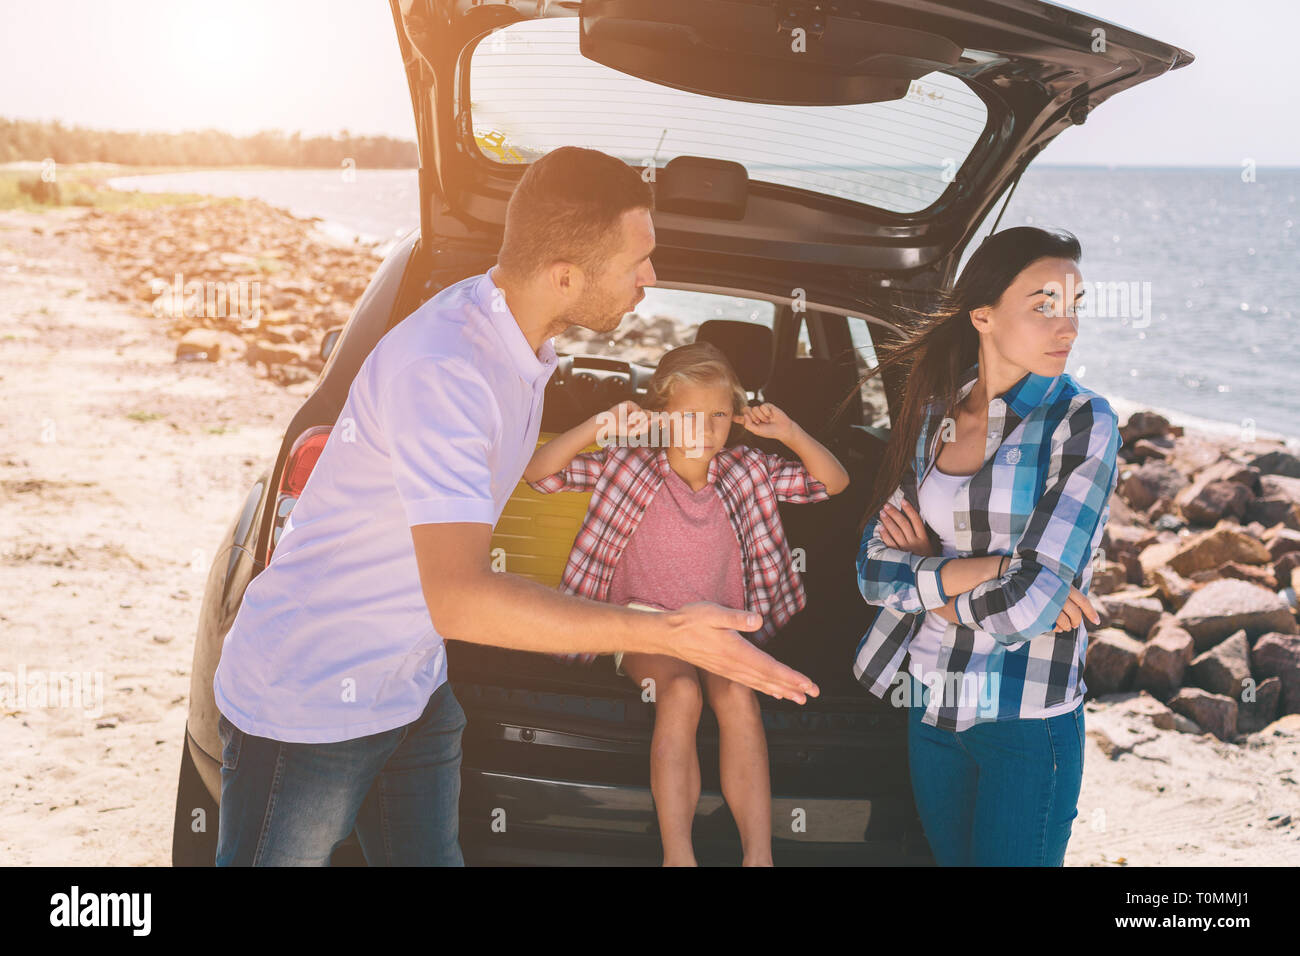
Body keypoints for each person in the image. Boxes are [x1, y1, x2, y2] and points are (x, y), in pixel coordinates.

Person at [210, 146, 819, 866]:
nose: (650, 279)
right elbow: (461, 601)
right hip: (309, 701)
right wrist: (666, 634)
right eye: (637, 263)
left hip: (413, 687)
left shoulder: (522, 345)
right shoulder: (448, 370)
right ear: (565, 276)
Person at [846, 226, 1121, 866]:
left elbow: (1029, 608)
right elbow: (872, 569)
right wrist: (995, 568)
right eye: (1044, 304)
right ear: (983, 315)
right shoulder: (934, 413)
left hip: (1025, 717)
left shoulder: (1084, 421)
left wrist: (930, 582)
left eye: (1075, 303)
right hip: (930, 702)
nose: (1069, 326)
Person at [524, 342, 849, 865]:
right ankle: (679, 856)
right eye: (690, 413)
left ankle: (758, 855)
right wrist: (600, 426)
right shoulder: (626, 465)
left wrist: (789, 432)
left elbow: (831, 482)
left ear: (735, 417)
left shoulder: (748, 469)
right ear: (661, 416)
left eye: (719, 413)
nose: (706, 425)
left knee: (739, 700)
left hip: (722, 636)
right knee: (677, 693)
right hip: (642, 630)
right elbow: (540, 474)